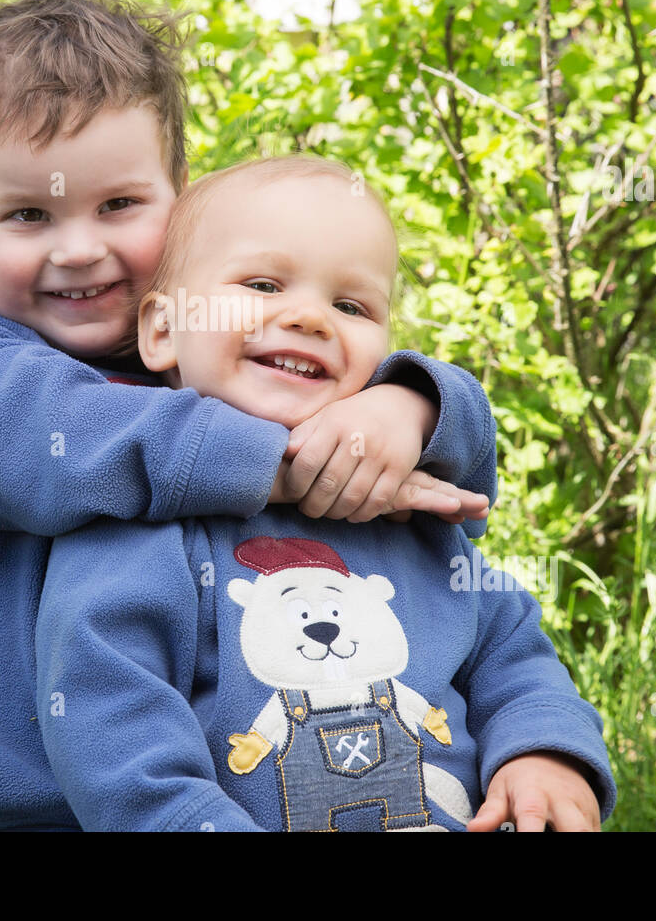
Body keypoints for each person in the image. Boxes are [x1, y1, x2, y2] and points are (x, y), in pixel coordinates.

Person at [0, 0, 497, 829]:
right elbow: (65, 440)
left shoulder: (213, 343)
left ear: (178, 194)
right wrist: (285, 464)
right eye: (28, 214)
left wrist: (408, 406)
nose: (79, 247)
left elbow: (434, 449)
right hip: (45, 809)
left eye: (119, 205)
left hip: (239, 789)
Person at [35, 155, 615, 831]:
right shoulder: (143, 526)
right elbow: (112, 729)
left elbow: (510, 651)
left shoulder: (402, 513)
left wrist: (543, 750)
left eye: (350, 305)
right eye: (262, 283)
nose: (310, 317)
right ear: (163, 328)